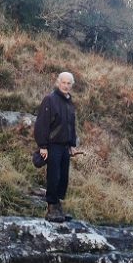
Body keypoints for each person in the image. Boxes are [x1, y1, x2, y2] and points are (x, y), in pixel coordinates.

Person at [34, 71, 78, 223]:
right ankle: (51, 208)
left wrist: (72, 144)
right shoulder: (50, 99)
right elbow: (41, 124)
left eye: (68, 83)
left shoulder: (69, 102)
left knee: (63, 178)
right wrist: (43, 146)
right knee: (54, 176)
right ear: (58, 82)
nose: (66, 86)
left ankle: (58, 207)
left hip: (65, 146)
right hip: (52, 146)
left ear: (71, 86)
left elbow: (71, 125)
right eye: (64, 82)